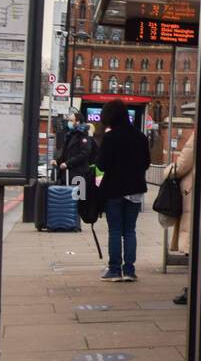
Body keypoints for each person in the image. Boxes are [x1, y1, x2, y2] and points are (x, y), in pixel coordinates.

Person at [96, 100, 150, 282]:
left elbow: (102, 165)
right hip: (134, 190)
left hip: (114, 190)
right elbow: (146, 164)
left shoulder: (110, 138)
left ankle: (114, 270)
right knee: (130, 230)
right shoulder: (140, 137)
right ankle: (129, 270)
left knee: (115, 230)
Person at [170, 130, 196, 305]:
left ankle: (193, 288)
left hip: (192, 194)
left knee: (193, 245)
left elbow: (181, 166)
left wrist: (168, 172)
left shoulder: (198, 134)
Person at [55, 111, 94, 184]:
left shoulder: (83, 135)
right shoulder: (70, 134)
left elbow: (84, 153)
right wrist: (57, 161)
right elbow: (66, 153)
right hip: (68, 173)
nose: (69, 123)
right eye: (68, 120)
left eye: (71, 121)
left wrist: (67, 163)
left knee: (76, 194)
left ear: (78, 122)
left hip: (77, 174)